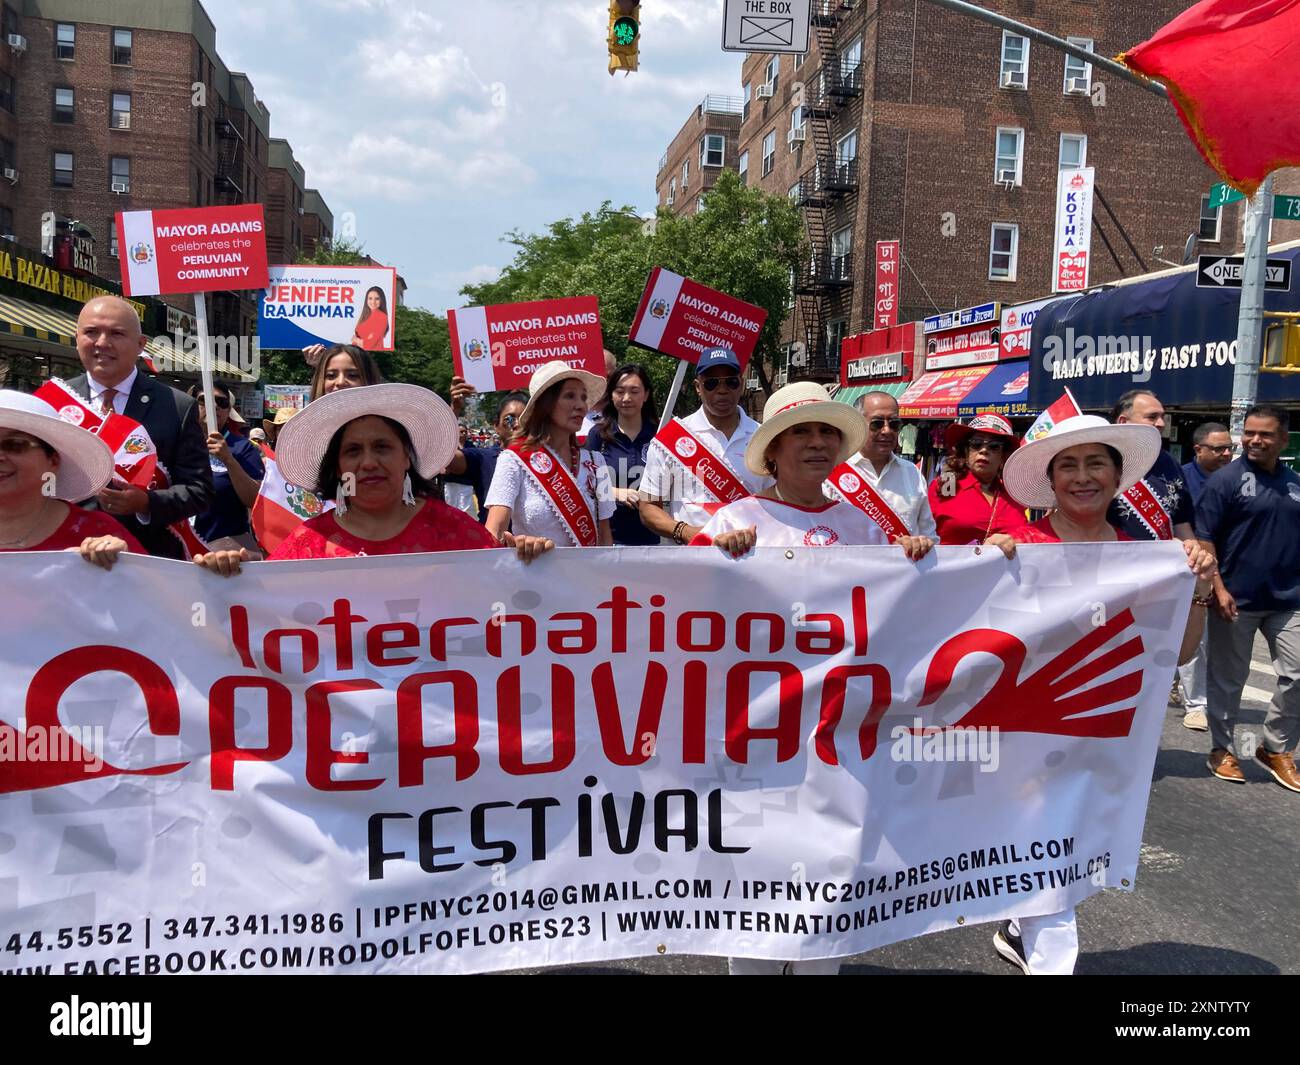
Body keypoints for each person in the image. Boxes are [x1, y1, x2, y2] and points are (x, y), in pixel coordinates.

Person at [690, 381, 932, 976]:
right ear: (773, 447)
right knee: (755, 879)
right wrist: (712, 557)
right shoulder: (733, 519)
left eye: (827, 432)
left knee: (828, 881)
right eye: (802, 432)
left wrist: (921, 561)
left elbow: (897, 617)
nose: (817, 444)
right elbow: (681, 612)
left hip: (835, 736)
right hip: (756, 732)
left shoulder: (865, 528)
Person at [991, 413, 1215, 976]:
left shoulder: (1151, 561)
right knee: (1046, 844)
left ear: (1118, 478)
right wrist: (980, 566)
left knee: (1060, 849)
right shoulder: (1017, 546)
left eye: (1096, 464)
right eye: (1068, 465)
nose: (1083, 477)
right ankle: (1048, 957)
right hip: (1024, 732)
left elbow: (1179, 655)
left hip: (1102, 737)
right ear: (1052, 480)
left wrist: (1198, 591)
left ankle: (1023, 923)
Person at [194, 384, 553, 571]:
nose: (368, 462)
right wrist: (230, 576)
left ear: (406, 459)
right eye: (353, 451)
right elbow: (259, 611)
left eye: (382, 447)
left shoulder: (457, 533)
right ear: (337, 467)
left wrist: (526, 560)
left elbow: (508, 605)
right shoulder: (306, 545)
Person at [1196, 405, 1300, 793]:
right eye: (1250, 433)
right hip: (1234, 599)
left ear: (1283, 439)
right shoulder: (1225, 481)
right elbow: (1204, 539)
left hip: (1288, 600)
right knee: (1228, 680)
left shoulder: (1294, 483)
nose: (1255, 440)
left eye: (1266, 434)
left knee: (1298, 674)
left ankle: (1275, 749)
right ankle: (1222, 748)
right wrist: (1218, 588)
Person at [64, 295, 213, 558]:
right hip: (71, 557)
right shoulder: (51, 402)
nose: (102, 342)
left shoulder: (177, 407)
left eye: (116, 333)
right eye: (91, 332)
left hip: (149, 560)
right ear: (77, 339)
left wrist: (146, 503)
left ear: (140, 344)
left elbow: (199, 490)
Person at [639, 347, 771, 545]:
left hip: (751, 559)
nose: (722, 390)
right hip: (693, 561)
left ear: (741, 384)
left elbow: (778, 501)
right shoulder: (669, 439)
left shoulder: (766, 438)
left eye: (731, 381)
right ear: (697, 387)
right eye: (711, 383)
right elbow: (648, 506)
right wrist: (686, 531)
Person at [0, 390, 144, 567]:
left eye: (15, 445)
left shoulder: (99, 531)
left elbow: (157, 591)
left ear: (53, 461)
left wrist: (127, 564)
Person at [485, 361, 615, 547]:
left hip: (586, 574)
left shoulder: (596, 462)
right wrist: (518, 545)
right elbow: (494, 533)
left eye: (583, 397)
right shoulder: (513, 459)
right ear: (546, 404)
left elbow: (604, 536)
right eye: (570, 396)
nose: (580, 405)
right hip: (533, 572)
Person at [1176, 421, 1233, 732]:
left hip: (1225, 566)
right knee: (1196, 639)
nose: (1226, 453)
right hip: (1192, 567)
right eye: (1218, 448)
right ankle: (1196, 704)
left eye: (1229, 448)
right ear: (1198, 450)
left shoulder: (1236, 480)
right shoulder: (1180, 480)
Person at [825, 390, 936, 538]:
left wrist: (923, 545)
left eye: (894, 424)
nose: (886, 430)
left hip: (902, 562)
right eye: (877, 424)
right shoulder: (831, 473)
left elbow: (929, 536)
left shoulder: (913, 473)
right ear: (858, 424)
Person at [584, 363, 660, 546]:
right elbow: (585, 483)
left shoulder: (660, 434)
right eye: (620, 391)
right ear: (611, 395)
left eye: (634, 391)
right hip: (609, 538)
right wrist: (614, 492)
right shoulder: (598, 435)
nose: (626, 398)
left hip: (653, 540)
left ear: (646, 394)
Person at [927, 413, 1029, 545]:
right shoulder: (947, 485)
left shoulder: (1014, 495)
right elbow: (923, 531)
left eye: (994, 446)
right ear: (965, 450)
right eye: (976, 444)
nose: (984, 450)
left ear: (1004, 456)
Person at [1106, 390, 1195, 541]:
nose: (1161, 424)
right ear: (1123, 422)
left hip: (1162, 561)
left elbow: (1181, 520)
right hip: (1113, 559)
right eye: (1152, 417)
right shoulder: (1103, 461)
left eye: (1162, 417)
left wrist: (1194, 553)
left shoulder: (1169, 462)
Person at [189, 382, 265, 545]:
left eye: (222, 402)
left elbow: (256, 501)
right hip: (180, 546)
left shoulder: (243, 447)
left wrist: (229, 460)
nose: (214, 406)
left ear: (228, 411)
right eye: (205, 400)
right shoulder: (178, 442)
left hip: (224, 548)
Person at [444, 386, 528, 523]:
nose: (517, 425)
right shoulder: (484, 458)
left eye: (525, 419)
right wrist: (455, 410)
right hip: (496, 542)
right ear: (496, 425)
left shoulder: (546, 462)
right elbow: (446, 457)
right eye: (509, 419)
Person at [308, 345, 383, 402]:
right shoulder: (306, 421)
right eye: (331, 375)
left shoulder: (382, 422)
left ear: (370, 380)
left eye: (352, 375)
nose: (340, 382)